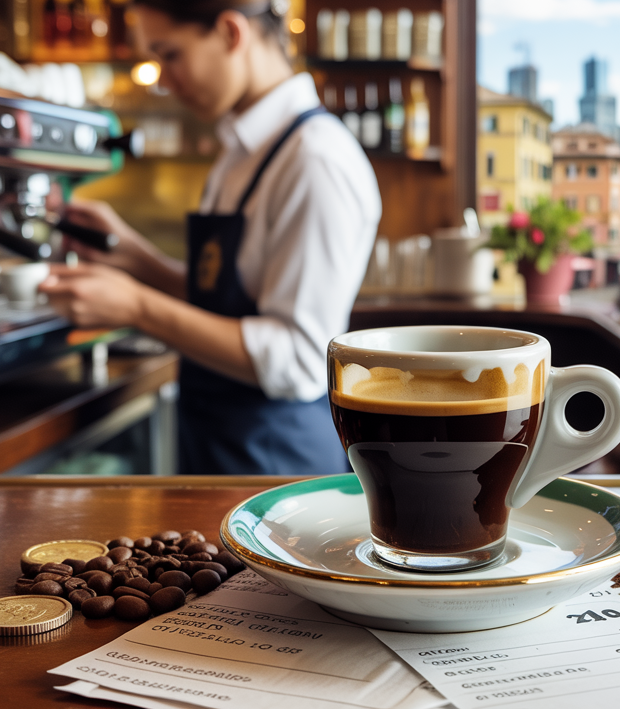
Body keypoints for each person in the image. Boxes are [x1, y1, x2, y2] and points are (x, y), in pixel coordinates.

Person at [38, 0, 382, 475]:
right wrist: (132, 255)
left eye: (169, 54)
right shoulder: (241, 150)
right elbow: (223, 298)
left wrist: (136, 306)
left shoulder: (314, 160)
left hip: (276, 461)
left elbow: (300, 359)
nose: (161, 79)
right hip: (218, 447)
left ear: (230, 33)